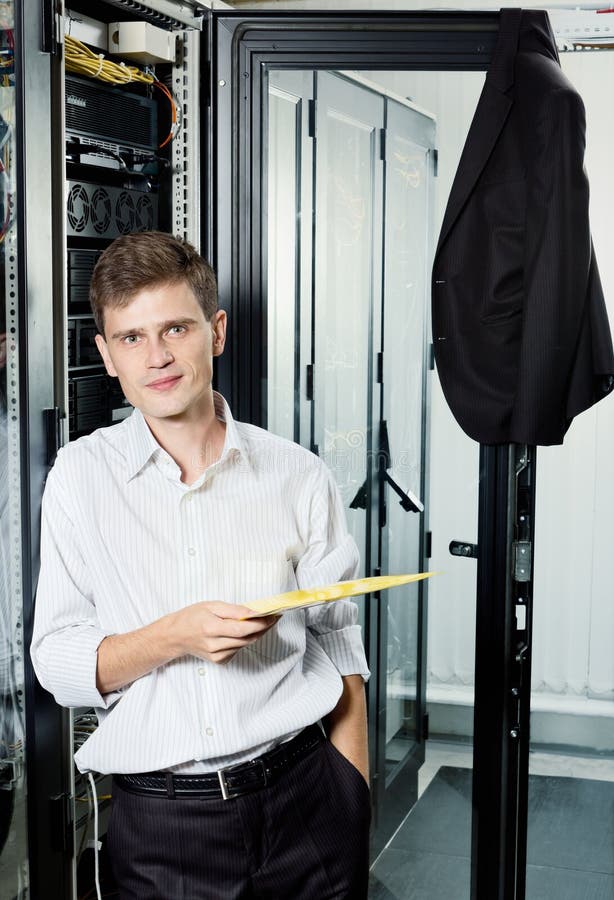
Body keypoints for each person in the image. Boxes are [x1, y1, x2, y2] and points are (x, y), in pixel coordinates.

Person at [31, 231, 371, 899]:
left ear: (215, 332)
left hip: (306, 799)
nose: (156, 356)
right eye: (131, 337)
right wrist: (174, 637)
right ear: (106, 355)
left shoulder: (297, 474)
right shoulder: (80, 477)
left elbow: (337, 640)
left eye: (175, 329)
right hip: (166, 829)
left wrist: (352, 794)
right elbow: (58, 664)